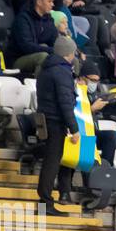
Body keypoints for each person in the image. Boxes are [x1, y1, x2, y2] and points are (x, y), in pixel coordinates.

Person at [34, 35, 79, 216]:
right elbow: (65, 102)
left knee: (49, 160)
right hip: (55, 121)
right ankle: (45, 203)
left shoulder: (46, 68)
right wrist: (74, 128)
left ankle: (44, 202)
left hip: (45, 118)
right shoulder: (61, 71)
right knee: (52, 162)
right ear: (69, 53)